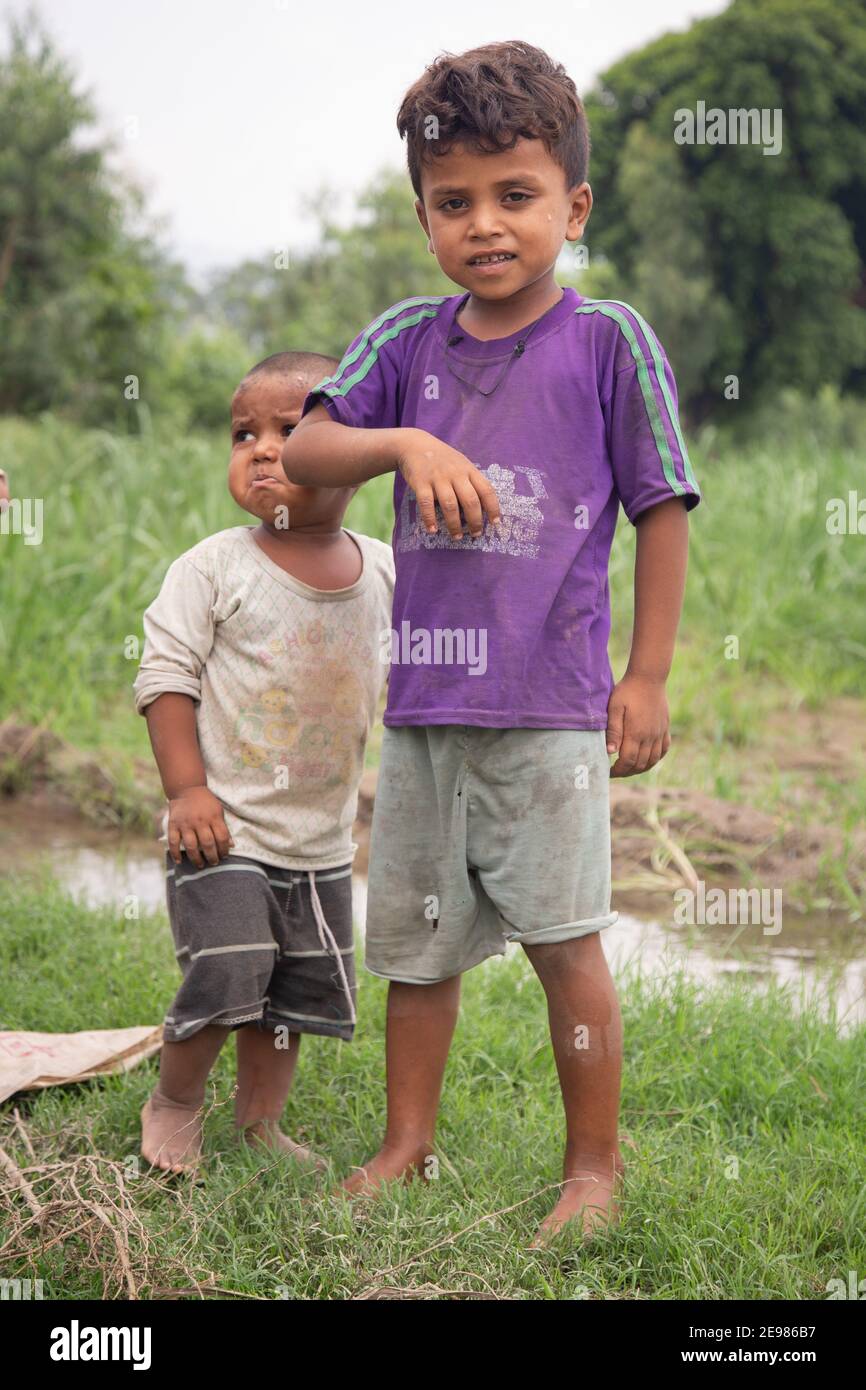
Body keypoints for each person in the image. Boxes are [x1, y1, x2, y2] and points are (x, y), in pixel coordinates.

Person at [281, 40, 701, 1244]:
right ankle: (405, 1145)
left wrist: (649, 675)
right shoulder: (406, 345)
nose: (484, 225)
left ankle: (592, 1168)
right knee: (417, 950)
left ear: (570, 204)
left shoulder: (608, 341)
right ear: (421, 214)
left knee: (564, 946)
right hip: (421, 718)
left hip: (553, 712)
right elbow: (308, 449)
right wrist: (402, 446)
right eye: (452, 201)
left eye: (514, 196)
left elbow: (660, 507)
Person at [133, 351, 395, 1173]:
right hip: (223, 830)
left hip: (320, 839)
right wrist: (188, 793)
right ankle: (175, 1102)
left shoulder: (385, 569)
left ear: (353, 452)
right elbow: (166, 679)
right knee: (229, 971)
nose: (262, 448)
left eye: (291, 429)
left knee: (290, 996)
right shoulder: (214, 566)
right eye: (244, 431)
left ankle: (259, 1123)